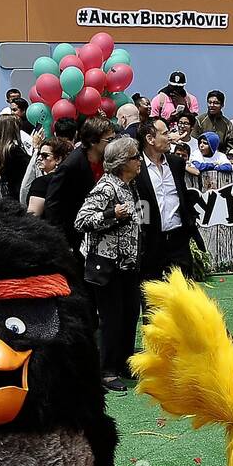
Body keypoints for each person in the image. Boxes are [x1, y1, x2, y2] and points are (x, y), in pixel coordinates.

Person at [75, 136, 143, 392]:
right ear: (123, 162)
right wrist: (111, 215)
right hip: (107, 265)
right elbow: (82, 220)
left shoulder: (128, 185)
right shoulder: (107, 187)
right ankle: (106, 370)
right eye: (135, 157)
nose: (139, 161)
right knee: (111, 319)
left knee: (129, 315)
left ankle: (123, 362)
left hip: (126, 265)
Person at [137, 115, 202, 282]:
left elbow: (182, 196)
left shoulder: (176, 163)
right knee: (152, 296)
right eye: (165, 134)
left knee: (184, 294)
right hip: (151, 241)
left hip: (178, 239)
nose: (170, 137)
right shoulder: (137, 167)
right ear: (150, 139)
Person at [46, 114, 115, 258]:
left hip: (103, 231)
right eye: (109, 140)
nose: (113, 143)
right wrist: (62, 241)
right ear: (93, 141)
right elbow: (53, 204)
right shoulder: (71, 165)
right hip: (77, 236)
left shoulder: (108, 160)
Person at [26, 137, 71, 217]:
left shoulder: (41, 183)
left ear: (58, 159)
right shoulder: (70, 179)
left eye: (45, 155)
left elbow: (33, 218)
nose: (39, 158)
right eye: (39, 154)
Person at [0, 114, 31, 200]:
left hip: (7, 193)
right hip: (18, 193)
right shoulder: (13, 151)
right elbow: (30, 166)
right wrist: (35, 148)